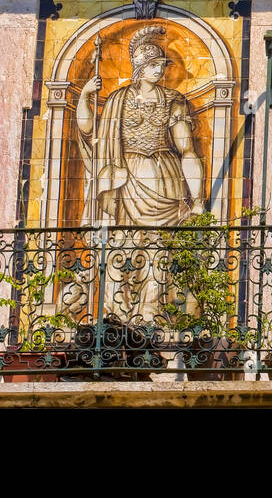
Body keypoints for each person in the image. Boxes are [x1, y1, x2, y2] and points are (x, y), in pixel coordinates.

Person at [76, 24, 206, 322]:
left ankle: (153, 311)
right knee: (122, 245)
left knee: (160, 249)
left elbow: (187, 150)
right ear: (140, 67)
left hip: (165, 177)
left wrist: (197, 198)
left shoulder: (174, 100)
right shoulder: (116, 100)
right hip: (126, 179)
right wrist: (84, 94)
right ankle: (116, 313)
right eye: (154, 65)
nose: (160, 70)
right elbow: (89, 132)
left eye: (162, 65)